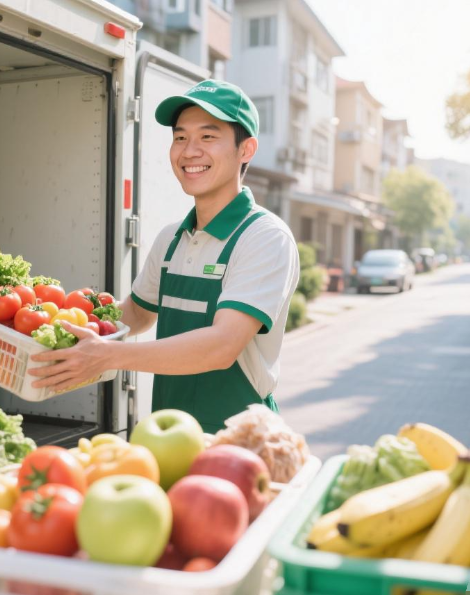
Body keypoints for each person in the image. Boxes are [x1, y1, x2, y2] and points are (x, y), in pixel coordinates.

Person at [30, 80, 300, 433]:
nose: (189, 151)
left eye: (207, 137)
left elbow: (221, 346)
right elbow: (138, 314)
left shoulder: (264, 237)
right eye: (180, 137)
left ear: (246, 149)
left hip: (239, 438)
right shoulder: (172, 237)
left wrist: (106, 356)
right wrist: (67, 327)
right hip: (168, 431)